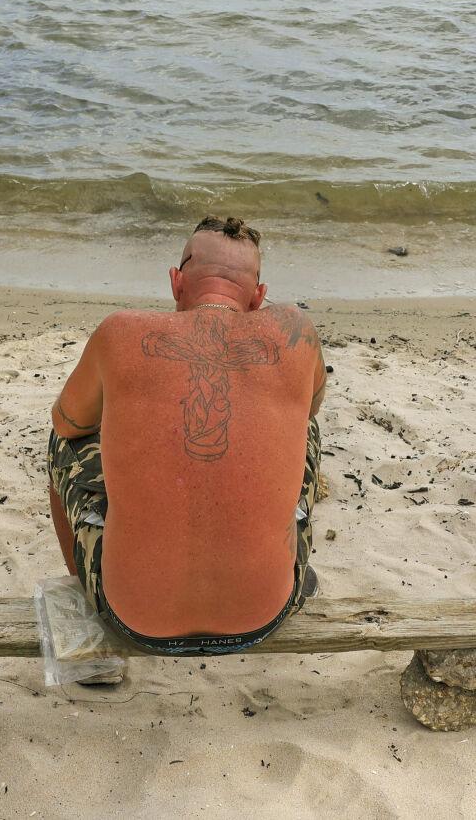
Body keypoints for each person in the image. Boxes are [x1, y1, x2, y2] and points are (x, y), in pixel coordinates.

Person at [47, 216, 326, 655]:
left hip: (133, 620)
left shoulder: (120, 332)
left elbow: (67, 424)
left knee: (63, 444)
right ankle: (286, 563)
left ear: (176, 282)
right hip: (262, 618)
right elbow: (309, 408)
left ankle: (87, 596)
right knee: (305, 429)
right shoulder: (295, 331)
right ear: (257, 297)